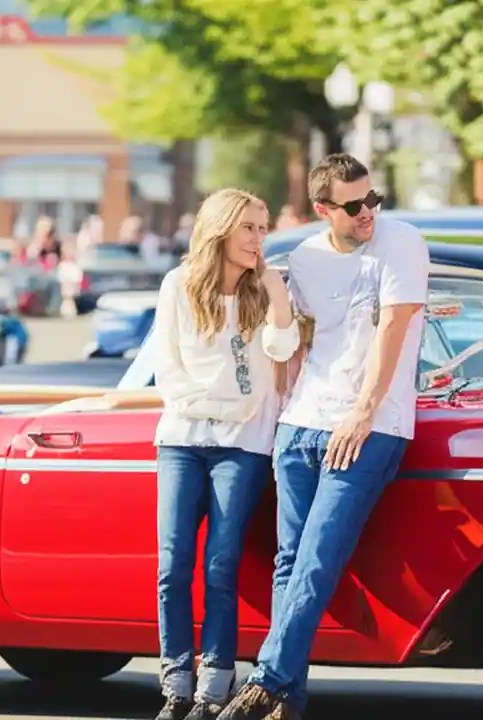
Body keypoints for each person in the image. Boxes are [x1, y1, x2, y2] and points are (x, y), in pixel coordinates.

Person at [219, 154, 430, 720]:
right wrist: (279, 411)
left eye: (373, 199)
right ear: (323, 209)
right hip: (300, 425)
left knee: (317, 558)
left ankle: (264, 680)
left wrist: (363, 413)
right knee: (290, 561)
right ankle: (288, 702)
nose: (369, 213)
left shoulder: (402, 242)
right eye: (355, 205)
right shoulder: (305, 259)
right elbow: (297, 340)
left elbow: (394, 326)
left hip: (369, 427)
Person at [151, 188, 299, 720]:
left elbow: (282, 350)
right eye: (249, 228)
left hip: (244, 446)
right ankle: (175, 683)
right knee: (172, 565)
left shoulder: (263, 293)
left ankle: (213, 688)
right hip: (182, 441)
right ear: (221, 230)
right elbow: (168, 374)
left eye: (264, 229)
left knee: (221, 563)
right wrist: (226, 401)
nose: (259, 239)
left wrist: (276, 288)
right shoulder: (178, 287)